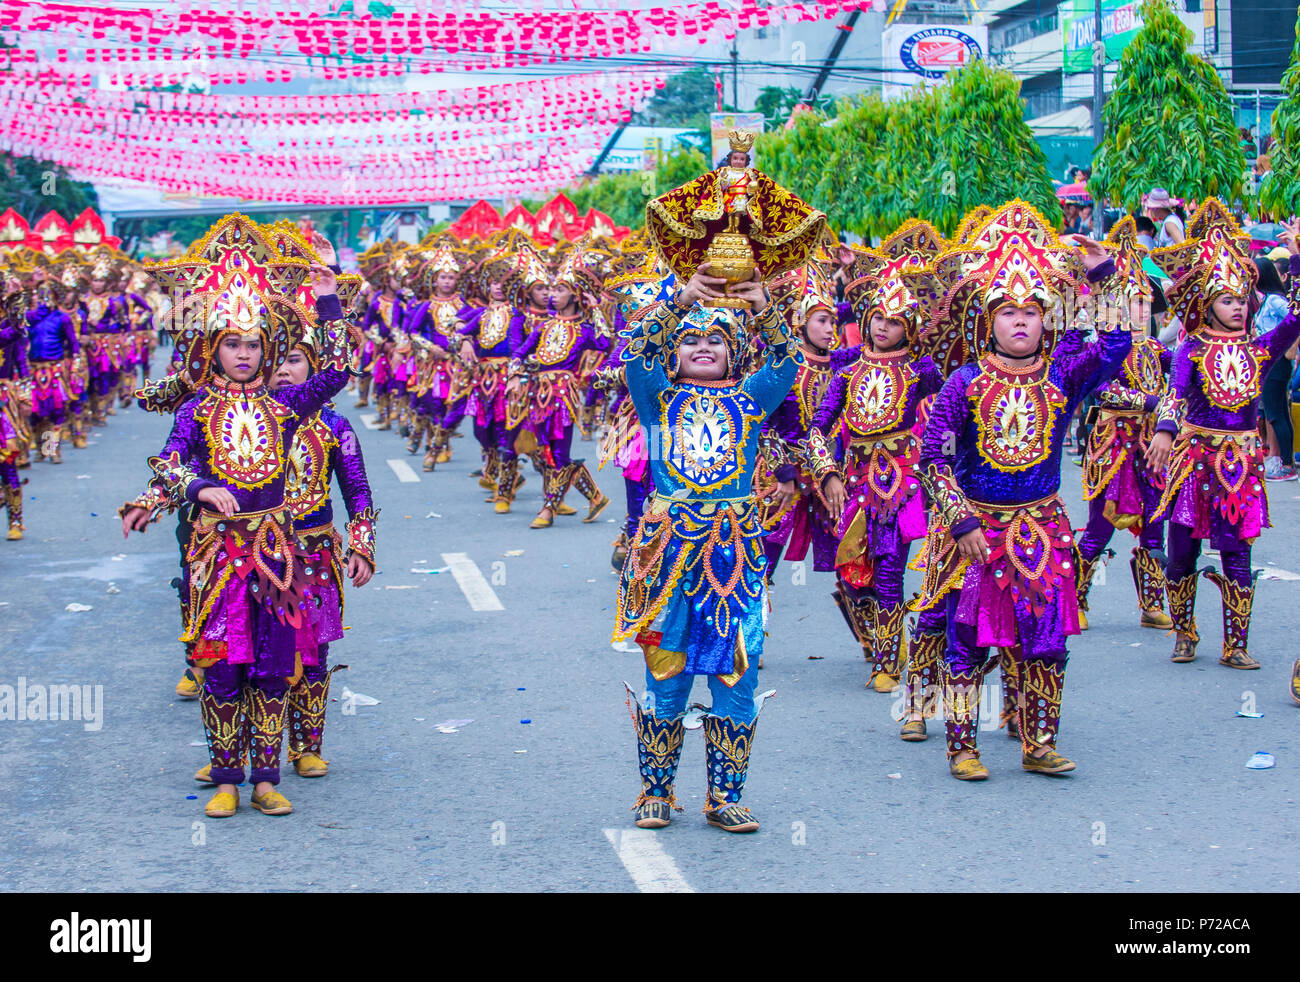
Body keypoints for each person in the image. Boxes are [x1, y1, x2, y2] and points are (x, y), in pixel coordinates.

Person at [127, 214, 360, 818]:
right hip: (217, 556)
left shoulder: (286, 404)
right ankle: (227, 779)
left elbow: (336, 371)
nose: (243, 353)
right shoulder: (198, 409)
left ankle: (264, 780)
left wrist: (328, 295)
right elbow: (167, 466)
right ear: (214, 348)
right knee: (222, 669)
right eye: (232, 343)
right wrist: (198, 488)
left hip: (277, 557)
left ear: (268, 349)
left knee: (273, 667)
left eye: (253, 343)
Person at [908, 200, 1131, 781]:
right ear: (990, 322)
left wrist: (1105, 275)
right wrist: (961, 521)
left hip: (1043, 529)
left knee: (1047, 640)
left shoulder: (1062, 373)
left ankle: (1039, 741)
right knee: (967, 640)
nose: (1022, 322)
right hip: (978, 530)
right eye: (1008, 312)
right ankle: (962, 746)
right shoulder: (965, 382)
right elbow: (932, 456)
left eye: (1032, 311)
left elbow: (1115, 349)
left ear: (1046, 320)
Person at [613, 265, 800, 833]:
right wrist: (680, 301)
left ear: (733, 350)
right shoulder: (658, 399)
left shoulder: (749, 400)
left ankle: (726, 795)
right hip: (666, 555)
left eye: (715, 338)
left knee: (735, 674)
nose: (701, 346)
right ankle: (656, 791)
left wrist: (764, 308)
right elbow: (633, 360)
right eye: (690, 340)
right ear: (673, 352)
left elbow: (789, 363)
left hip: (734, 559)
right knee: (665, 674)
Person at [1146, 204, 1300, 675]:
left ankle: (1236, 643)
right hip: (1194, 461)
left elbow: (1294, 321)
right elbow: (1174, 394)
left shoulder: (1258, 347)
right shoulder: (1190, 348)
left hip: (1240, 465)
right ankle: (1184, 633)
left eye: (1241, 300)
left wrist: (1296, 262)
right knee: (1184, 550)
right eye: (1227, 300)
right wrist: (1165, 433)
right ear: (1207, 303)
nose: (1237, 306)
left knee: (1238, 550)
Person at [803, 222, 948, 716]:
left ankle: (888, 660)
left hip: (902, 482)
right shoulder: (846, 369)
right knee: (851, 575)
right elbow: (819, 429)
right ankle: (881, 644)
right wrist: (827, 473)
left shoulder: (921, 369)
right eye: (877, 319)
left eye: (895, 321)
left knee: (888, 569)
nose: (883, 327)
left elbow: (957, 389)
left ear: (910, 327)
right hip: (856, 481)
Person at [1075, 217, 1175, 630]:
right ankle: (1075, 595)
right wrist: (1152, 401)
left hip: (1151, 445)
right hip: (1112, 444)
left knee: (1155, 523)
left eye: (1145, 304)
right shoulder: (1102, 346)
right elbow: (1103, 391)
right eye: (1132, 303)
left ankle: (1151, 603)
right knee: (1101, 525)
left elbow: (1182, 385)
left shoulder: (1156, 349)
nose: (1140, 311)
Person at [1255, 259, 1297, 481]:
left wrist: (1290, 345)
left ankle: (1286, 465)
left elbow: (1294, 316)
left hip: (1277, 362)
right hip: (1273, 362)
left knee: (1275, 414)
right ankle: (1286, 463)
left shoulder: (1274, 301)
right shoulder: (1265, 301)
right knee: (1277, 412)